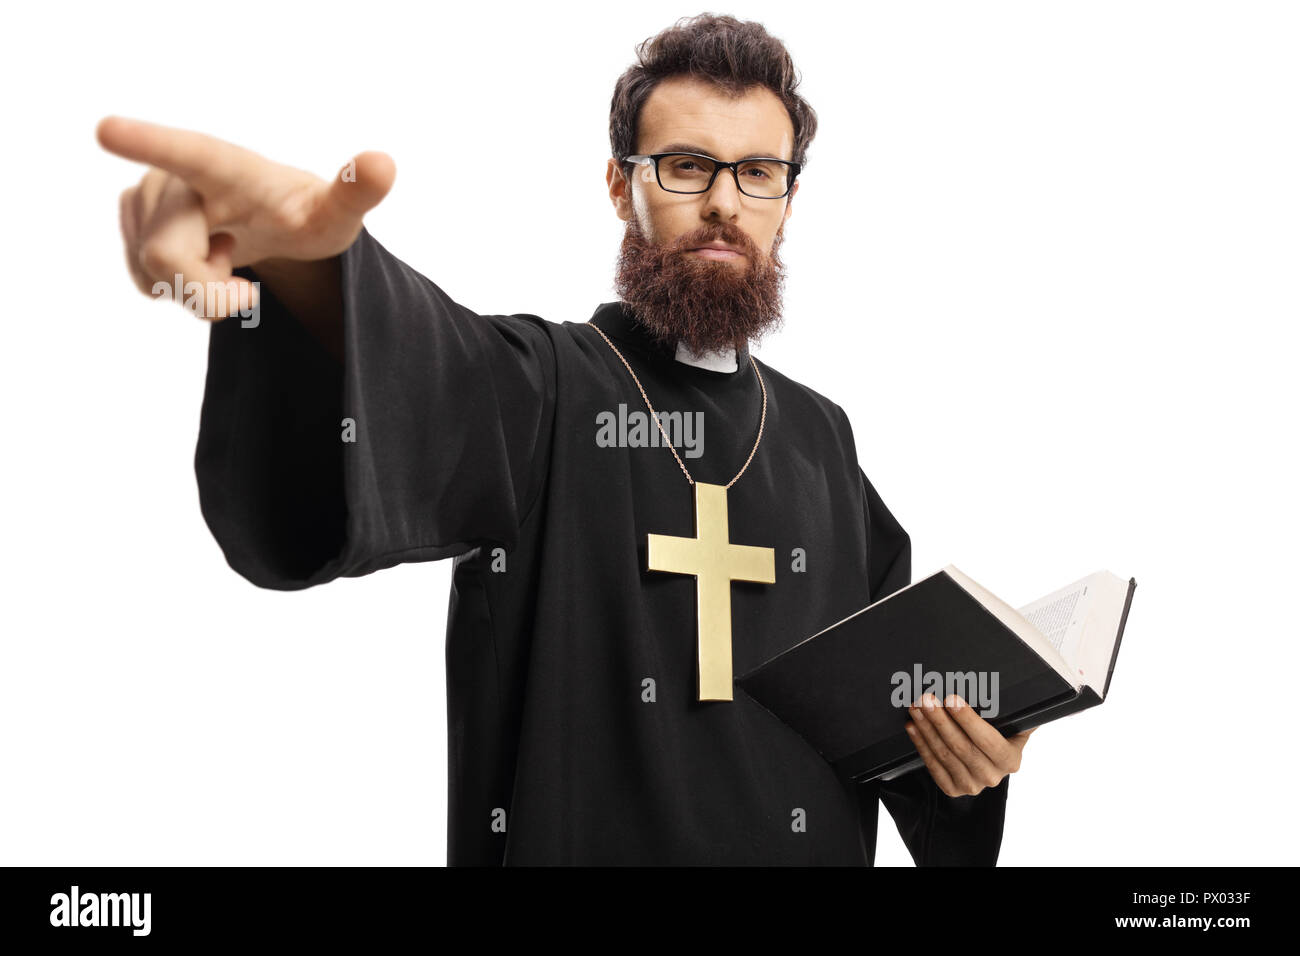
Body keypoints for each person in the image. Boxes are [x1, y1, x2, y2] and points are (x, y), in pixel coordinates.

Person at [98, 13, 1031, 865]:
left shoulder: (824, 440)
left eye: (758, 173)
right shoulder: (543, 386)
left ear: (788, 199)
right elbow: (422, 360)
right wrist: (298, 268)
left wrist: (974, 751)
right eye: (686, 165)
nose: (724, 203)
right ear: (622, 185)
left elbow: (885, 714)